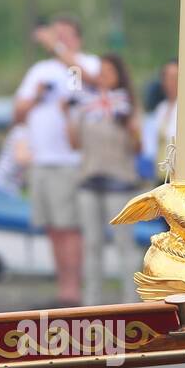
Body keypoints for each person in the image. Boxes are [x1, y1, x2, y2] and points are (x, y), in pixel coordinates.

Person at [13, 14, 101, 303]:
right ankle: (63, 288)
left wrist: (59, 49)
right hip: (42, 160)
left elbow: (93, 82)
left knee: (70, 227)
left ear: (78, 39)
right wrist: (37, 98)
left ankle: (73, 290)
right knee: (52, 227)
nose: (59, 41)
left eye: (65, 35)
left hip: (71, 161)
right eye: (56, 35)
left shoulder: (87, 64)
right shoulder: (40, 70)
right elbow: (18, 113)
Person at [67, 54, 141, 306]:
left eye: (109, 71)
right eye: (101, 71)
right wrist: (69, 116)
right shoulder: (87, 106)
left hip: (119, 180)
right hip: (90, 178)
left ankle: (130, 301)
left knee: (124, 244)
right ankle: (92, 302)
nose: (104, 76)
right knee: (92, 244)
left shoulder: (127, 106)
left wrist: (134, 131)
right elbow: (75, 143)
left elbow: (138, 147)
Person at [141, 59, 185, 181]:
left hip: (184, 180)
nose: (171, 82)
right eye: (167, 77)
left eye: (175, 77)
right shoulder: (161, 108)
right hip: (163, 178)